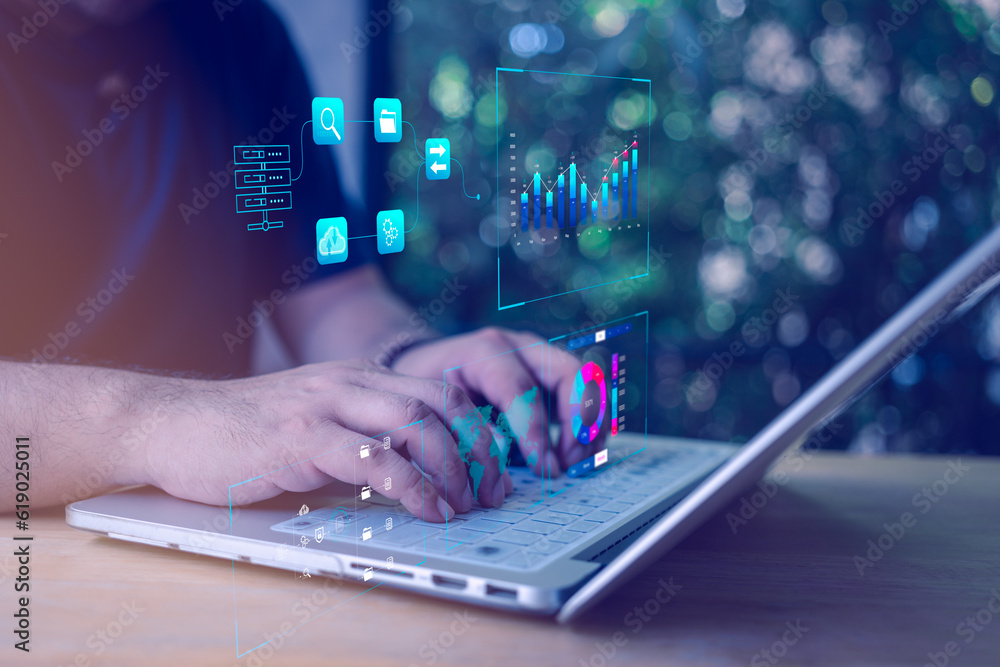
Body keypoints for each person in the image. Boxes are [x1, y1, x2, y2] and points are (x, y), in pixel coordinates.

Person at [0, 0, 589, 521]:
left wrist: (407, 363)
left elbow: (330, 296)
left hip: (215, 535)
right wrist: (159, 421)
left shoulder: (238, 31)